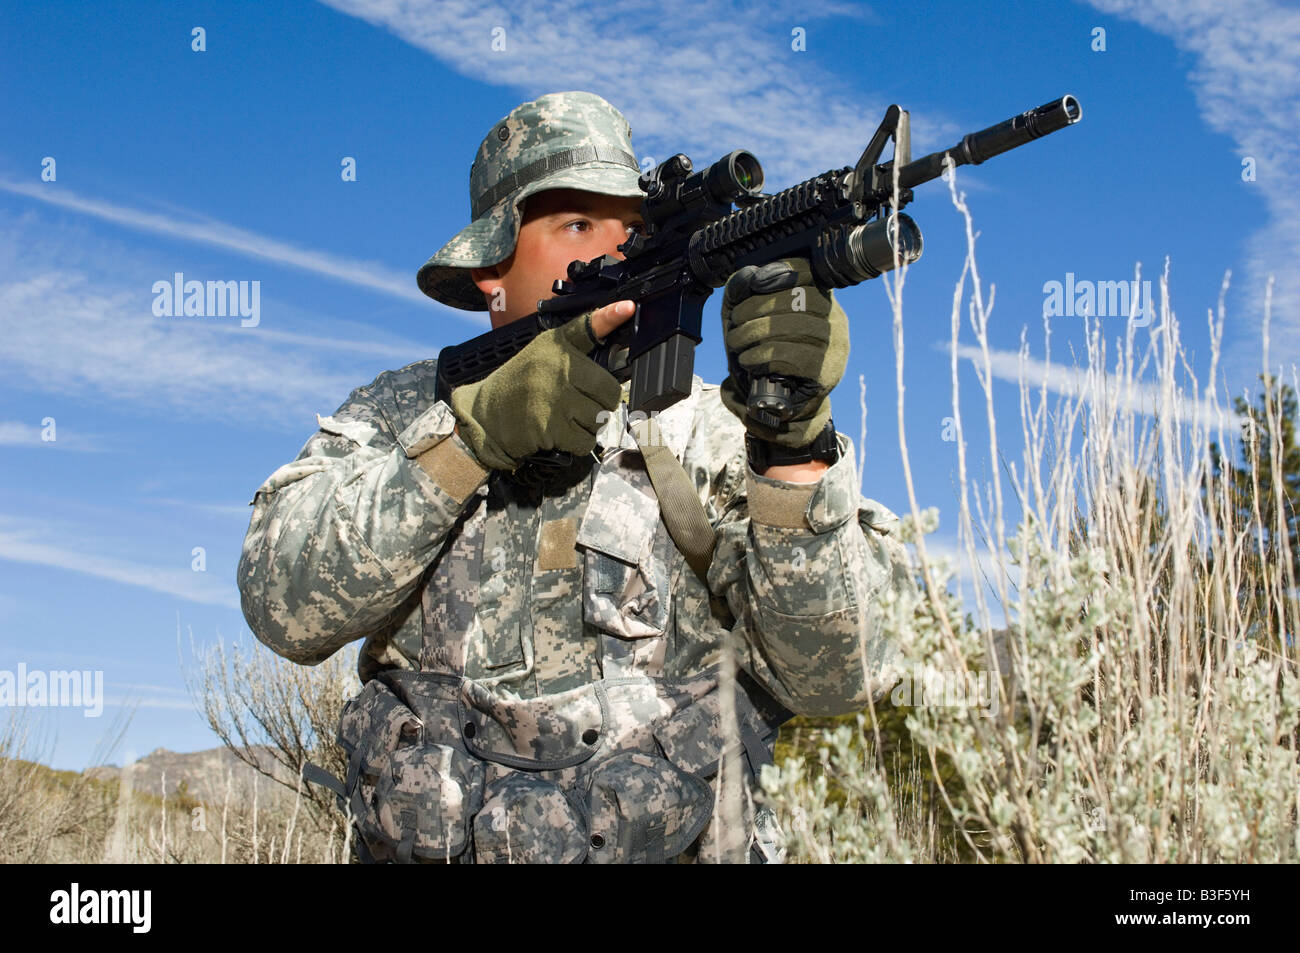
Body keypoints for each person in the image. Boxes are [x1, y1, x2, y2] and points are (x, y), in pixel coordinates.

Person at [237, 90, 914, 864]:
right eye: (578, 224)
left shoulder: (708, 430)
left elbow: (843, 676)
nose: (614, 249)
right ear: (492, 266)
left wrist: (792, 441)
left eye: (633, 227)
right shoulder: (401, 410)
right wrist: (469, 439)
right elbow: (282, 608)